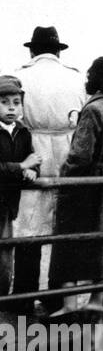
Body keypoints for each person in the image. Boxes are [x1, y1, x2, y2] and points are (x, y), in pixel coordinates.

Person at [48, 56, 103, 308]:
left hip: (86, 185)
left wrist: (63, 177)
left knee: (70, 240)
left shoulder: (93, 109)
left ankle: (69, 305)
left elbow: (80, 155)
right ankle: (97, 302)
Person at [10, 25, 85, 312]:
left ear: (32, 50)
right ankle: (56, 296)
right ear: (57, 51)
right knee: (61, 224)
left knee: (29, 224)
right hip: (67, 151)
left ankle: (24, 296)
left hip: (31, 148)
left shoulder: (22, 75)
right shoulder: (74, 78)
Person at [0, 76, 39, 308]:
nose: (12, 107)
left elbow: (32, 158)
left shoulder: (23, 131)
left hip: (9, 202)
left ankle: (3, 298)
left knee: (5, 253)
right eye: (4, 102)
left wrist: (33, 170)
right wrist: (22, 166)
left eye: (16, 102)